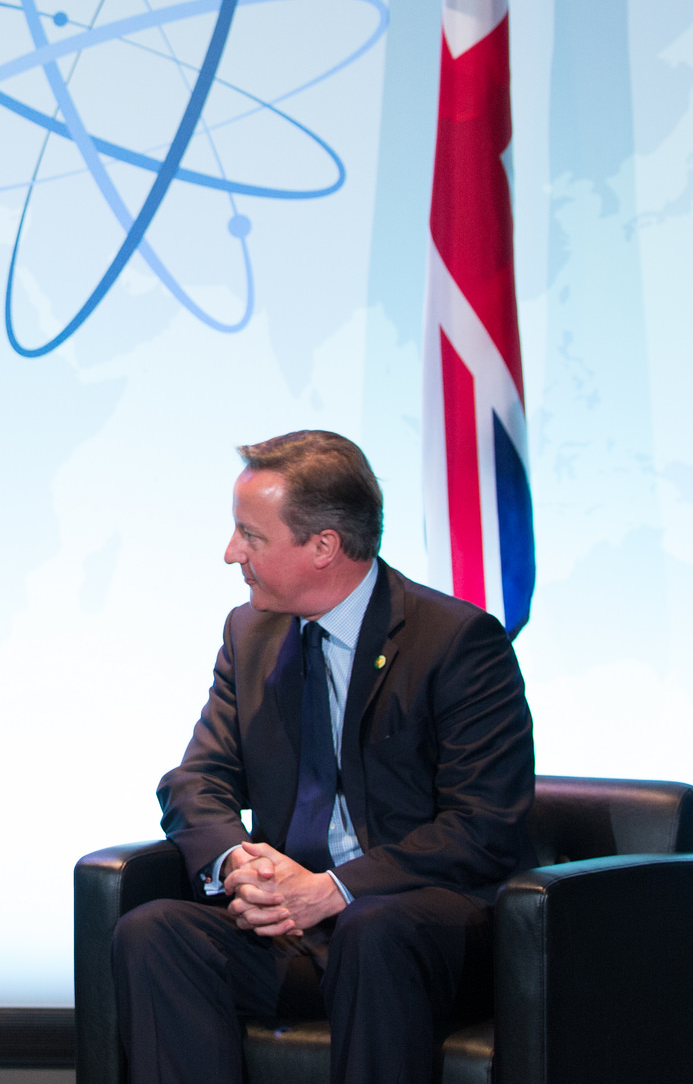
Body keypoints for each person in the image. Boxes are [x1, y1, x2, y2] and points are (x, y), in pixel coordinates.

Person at [112, 430, 534, 1084]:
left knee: (373, 929)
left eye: (250, 535)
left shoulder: (455, 642)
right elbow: (196, 779)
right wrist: (239, 863)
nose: (231, 553)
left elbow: (482, 828)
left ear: (323, 546)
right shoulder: (250, 633)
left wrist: (334, 889)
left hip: (419, 926)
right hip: (291, 928)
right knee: (155, 932)